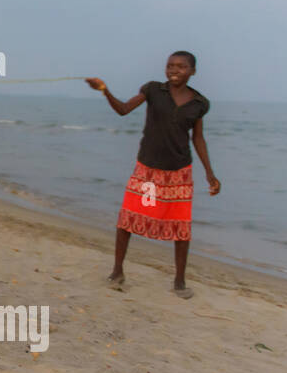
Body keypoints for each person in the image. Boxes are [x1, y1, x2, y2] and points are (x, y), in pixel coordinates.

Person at [86, 51, 220, 298]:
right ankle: (117, 271)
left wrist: (210, 174)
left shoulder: (200, 104)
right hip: (147, 169)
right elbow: (124, 109)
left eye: (181, 66)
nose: (174, 70)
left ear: (193, 71)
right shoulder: (153, 90)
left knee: (181, 228)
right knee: (128, 219)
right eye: (170, 66)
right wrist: (105, 90)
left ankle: (179, 282)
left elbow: (198, 138)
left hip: (179, 172)